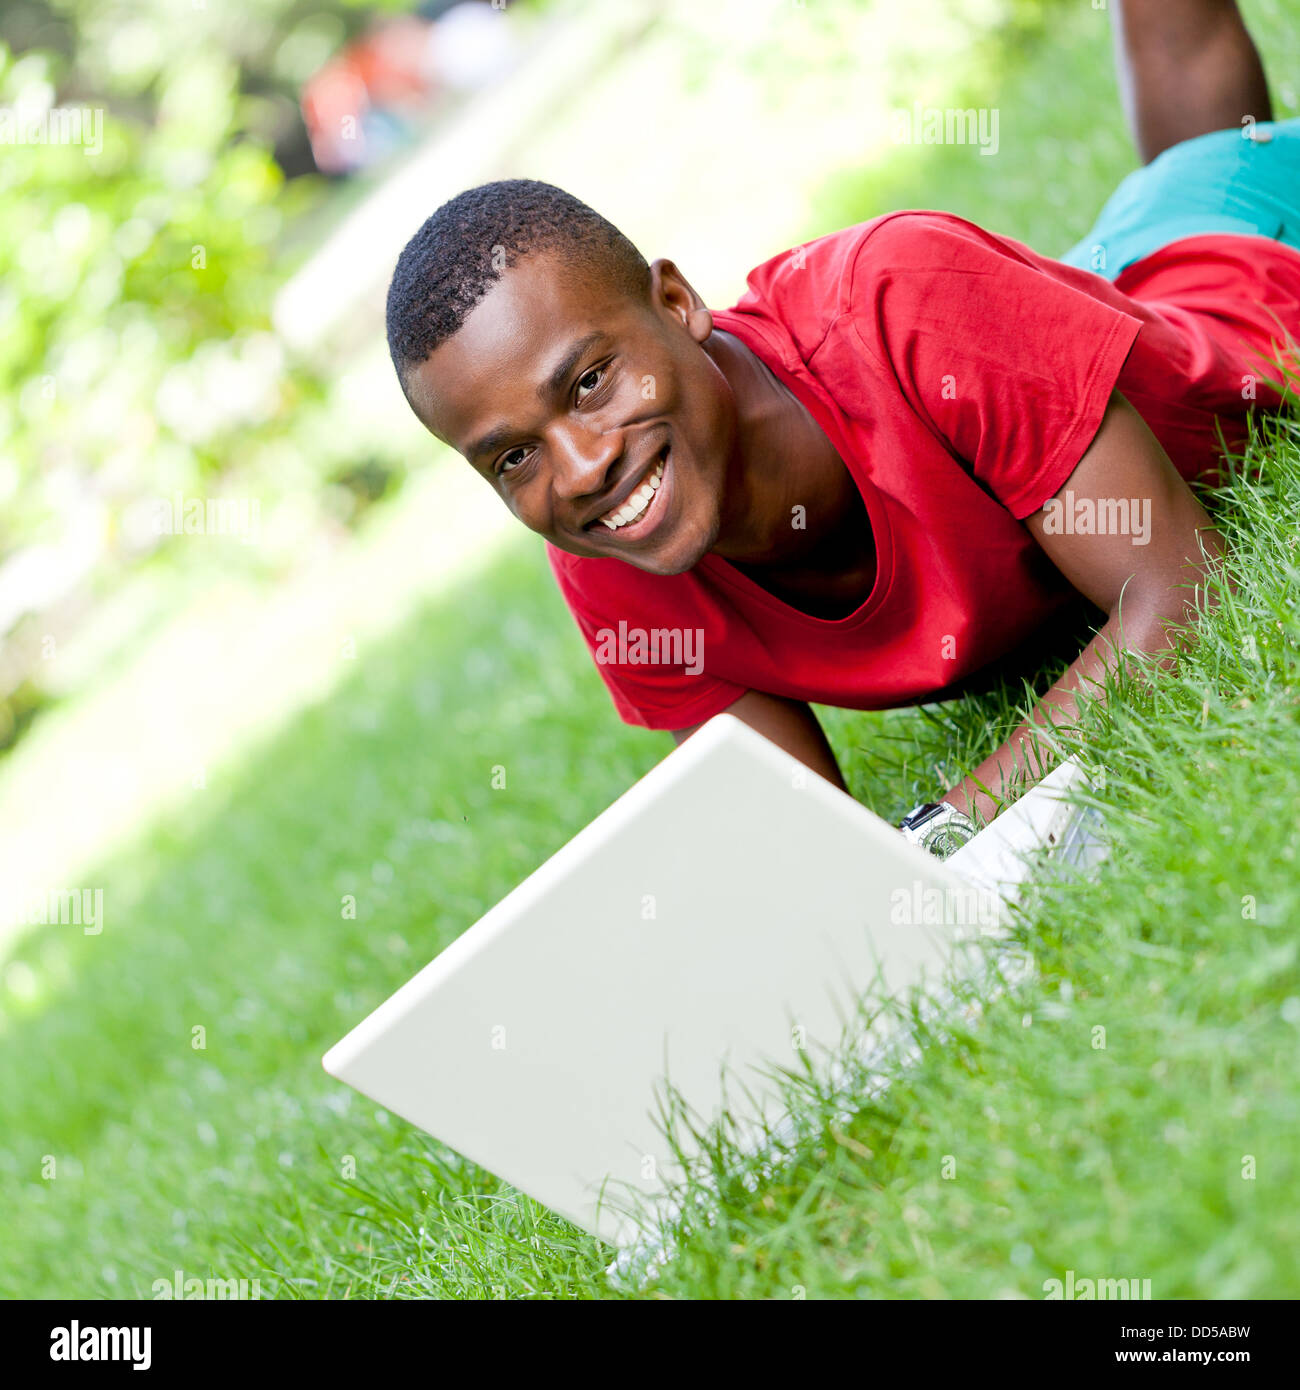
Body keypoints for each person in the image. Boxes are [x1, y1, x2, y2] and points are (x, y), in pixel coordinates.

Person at [384, 0, 1300, 852]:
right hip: (1067, 313)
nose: (580, 468)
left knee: (1211, 158)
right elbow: (818, 855)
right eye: (512, 456)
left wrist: (950, 824)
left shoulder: (905, 300)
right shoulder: (614, 542)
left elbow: (1183, 592)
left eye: (589, 381)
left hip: (1252, 275)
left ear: (676, 301)